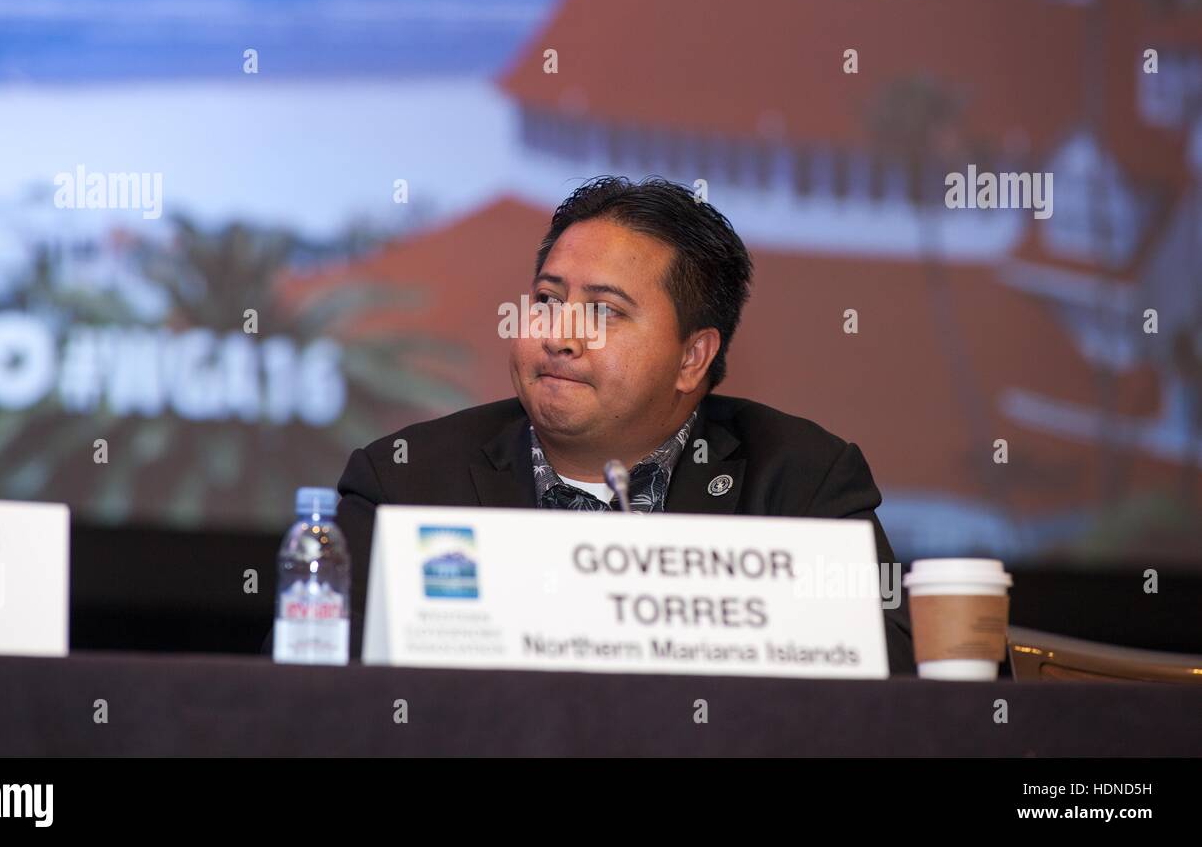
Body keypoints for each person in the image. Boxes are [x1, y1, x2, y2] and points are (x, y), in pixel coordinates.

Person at [333, 175, 915, 673]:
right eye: (546, 300)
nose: (559, 336)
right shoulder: (403, 484)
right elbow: (308, 702)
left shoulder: (801, 484)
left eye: (604, 312)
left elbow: (899, 700)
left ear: (692, 358)